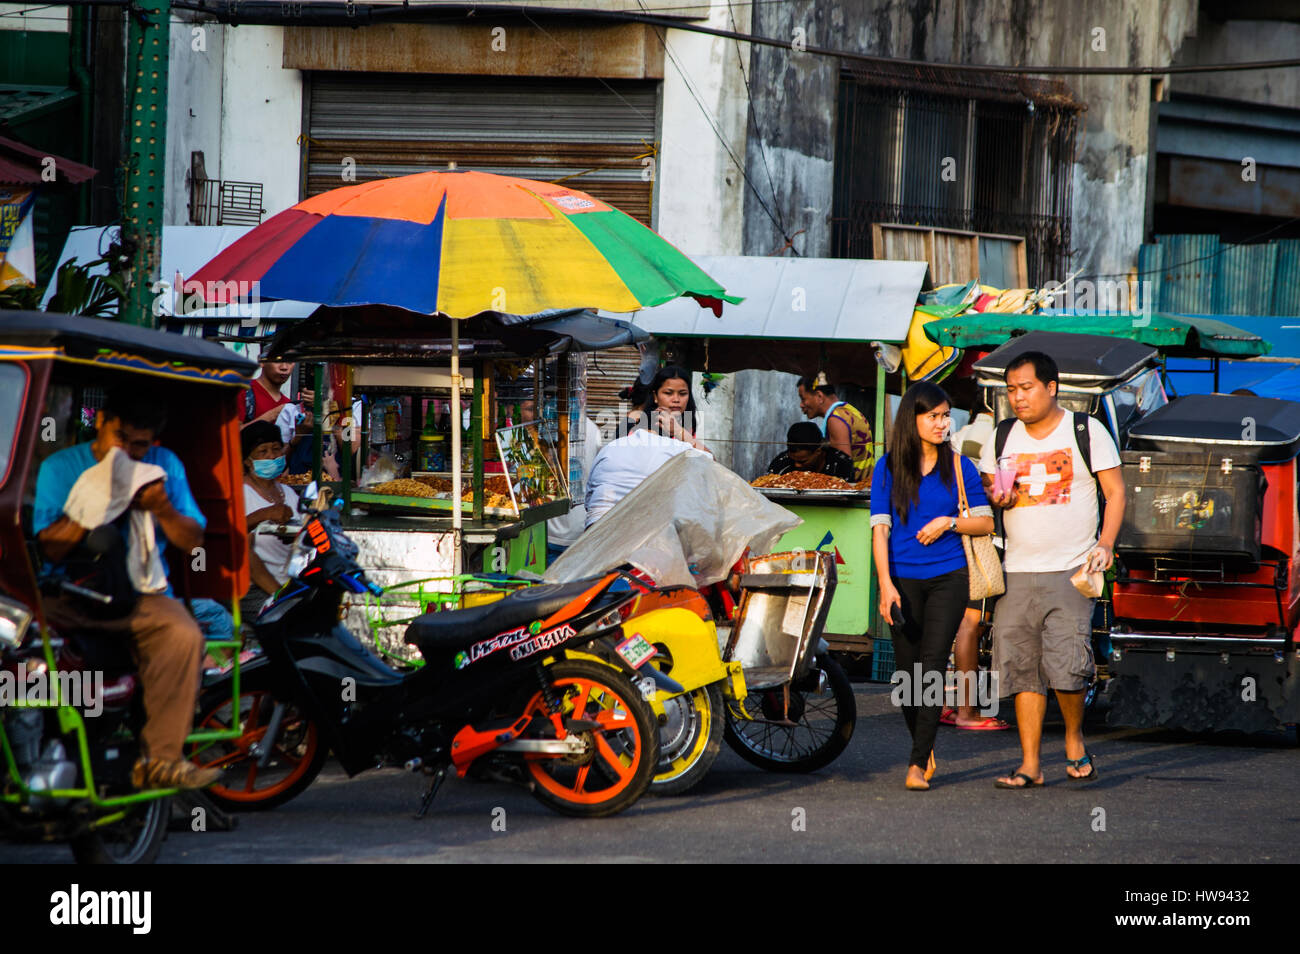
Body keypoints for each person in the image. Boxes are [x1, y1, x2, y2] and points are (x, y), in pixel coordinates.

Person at [32, 390, 221, 790]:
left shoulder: (164, 464)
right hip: (70, 592)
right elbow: (50, 545)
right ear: (101, 422)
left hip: (142, 595)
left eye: (140, 445)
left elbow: (193, 541)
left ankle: (163, 759)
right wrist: (97, 501)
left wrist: (162, 507)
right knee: (23, 644)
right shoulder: (61, 467)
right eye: (122, 440)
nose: (129, 452)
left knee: (184, 634)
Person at [979, 350, 1124, 788]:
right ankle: (1029, 764)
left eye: (1026, 388)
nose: (1018, 398)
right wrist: (997, 498)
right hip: (1016, 570)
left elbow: (1115, 493)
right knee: (1022, 666)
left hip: (1071, 569)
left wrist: (1105, 544)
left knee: (1068, 664)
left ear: (1051, 387)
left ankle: (1075, 739)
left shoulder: (1086, 430)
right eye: (1011, 390)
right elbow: (989, 490)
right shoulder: (1002, 436)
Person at [871, 382, 994, 791]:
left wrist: (948, 522)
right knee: (907, 677)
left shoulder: (961, 466)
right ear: (914, 419)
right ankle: (924, 747)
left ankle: (916, 764)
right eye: (934, 416)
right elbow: (879, 531)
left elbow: (985, 522)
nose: (944, 423)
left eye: (947, 415)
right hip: (902, 579)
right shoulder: (888, 467)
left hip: (950, 577)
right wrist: (885, 586)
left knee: (931, 666)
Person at [942, 396, 1009, 730]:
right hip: (979, 538)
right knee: (972, 623)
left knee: (956, 624)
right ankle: (966, 710)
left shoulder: (956, 439)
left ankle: (944, 702)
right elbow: (984, 488)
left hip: (952, 540)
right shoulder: (998, 438)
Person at [584, 410, 713, 528]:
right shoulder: (675, 447)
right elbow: (711, 461)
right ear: (667, 433)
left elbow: (589, 498)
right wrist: (679, 431)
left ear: (635, 429)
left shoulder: (609, 448)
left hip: (595, 531)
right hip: (640, 536)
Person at [240, 421, 300, 626]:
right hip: (254, 589)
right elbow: (247, 558)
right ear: (248, 461)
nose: (272, 456)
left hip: (288, 584)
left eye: (276, 449)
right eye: (263, 451)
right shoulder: (241, 496)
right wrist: (279, 595)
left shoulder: (289, 494)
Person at [797, 374, 873, 480]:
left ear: (819, 396)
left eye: (803, 399)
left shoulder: (835, 420)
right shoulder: (849, 411)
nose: (801, 405)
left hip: (855, 488)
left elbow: (842, 469)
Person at [640, 365, 711, 455]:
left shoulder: (685, 425)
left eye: (682, 393)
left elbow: (710, 462)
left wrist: (679, 432)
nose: (676, 399)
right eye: (668, 393)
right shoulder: (645, 430)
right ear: (655, 396)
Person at [765, 421, 855, 480]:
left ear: (818, 452)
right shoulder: (781, 464)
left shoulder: (841, 465)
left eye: (802, 461)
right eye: (793, 460)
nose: (796, 465)